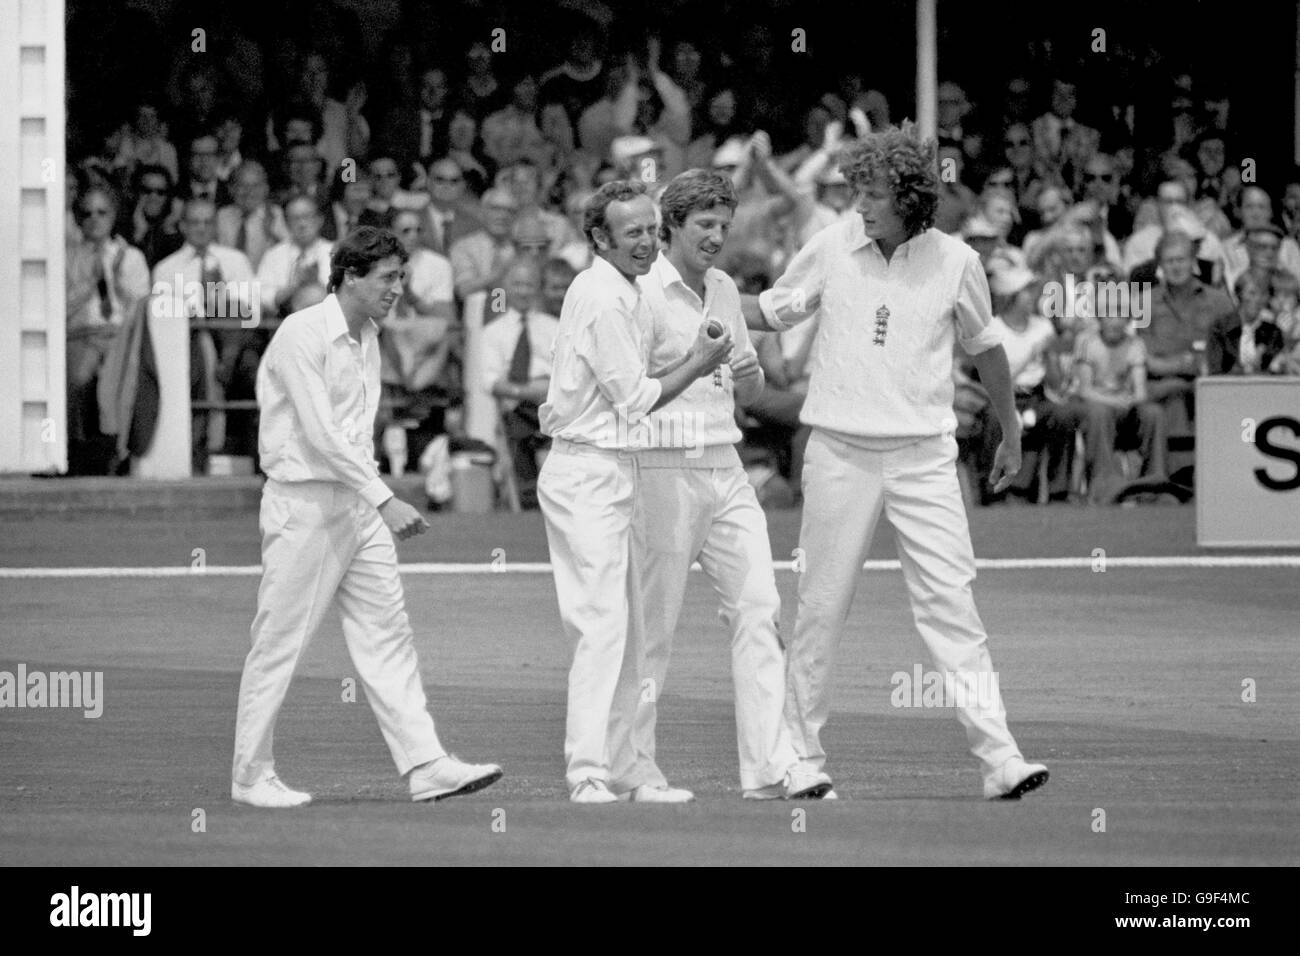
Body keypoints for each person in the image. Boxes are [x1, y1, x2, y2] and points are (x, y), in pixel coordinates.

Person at [742, 125, 1049, 800]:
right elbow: (770, 310)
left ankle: (1001, 761)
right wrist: (688, 298)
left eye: (873, 193)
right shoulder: (831, 246)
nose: (860, 206)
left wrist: (1010, 432)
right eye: (857, 191)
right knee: (821, 605)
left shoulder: (958, 261)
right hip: (839, 453)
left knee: (951, 605)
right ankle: (797, 758)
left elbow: (989, 349)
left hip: (924, 457)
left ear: (910, 197)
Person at [232, 226, 502, 808]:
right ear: (349, 276)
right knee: (280, 641)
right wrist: (384, 496)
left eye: (401, 277)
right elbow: (320, 434)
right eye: (387, 278)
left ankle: (426, 765)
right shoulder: (301, 333)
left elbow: (351, 435)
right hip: (304, 504)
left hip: (356, 503)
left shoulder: (369, 336)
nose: (398, 290)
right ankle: (250, 775)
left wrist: (371, 498)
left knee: (389, 634)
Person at [608, 169, 828, 802]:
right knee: (653, 627)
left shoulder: (726, 288)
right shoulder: (638, 292)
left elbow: (747, 390)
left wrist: (750, 374)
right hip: (660, 467)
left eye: (724, 226)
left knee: (761, 610)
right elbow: (628, 396)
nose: (716, 237)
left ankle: (771, 769)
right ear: (670, 225)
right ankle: (631, 768)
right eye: (704, 224)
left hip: (726, 468)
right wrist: (698, 364)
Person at [537, 179, 732, 803]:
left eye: (652, 229)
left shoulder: (622, 289)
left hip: (614, 468)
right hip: (586, 469)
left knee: (627, 625)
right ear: (600, 238)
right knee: (600, 626)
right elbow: (636, 399)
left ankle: (625, 768)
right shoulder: (603, 297)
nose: (648, 242)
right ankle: (587, 772)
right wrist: (699, 364)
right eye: (633, 233)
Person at [480, 258, 558, 509]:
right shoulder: (493, 332)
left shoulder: (555, 327)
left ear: (538, 288)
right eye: (517, 284)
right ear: (506, 287)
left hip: (554, 404)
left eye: (529, 284)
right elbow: (490, 381)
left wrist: (547, 392)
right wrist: (526, 392)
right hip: (516, 405)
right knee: (518, 422)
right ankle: (527, 498)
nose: (523, 291)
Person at [1208, 272, 1285, 375]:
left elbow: (1275, 371)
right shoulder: (1221, 328)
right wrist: (1246, 371)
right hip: (1227, 387)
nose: (1257, 299)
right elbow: (1216, 368)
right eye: (1252, 293)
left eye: (1263, 294)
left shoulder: (1272, 332)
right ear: (1240, 294)